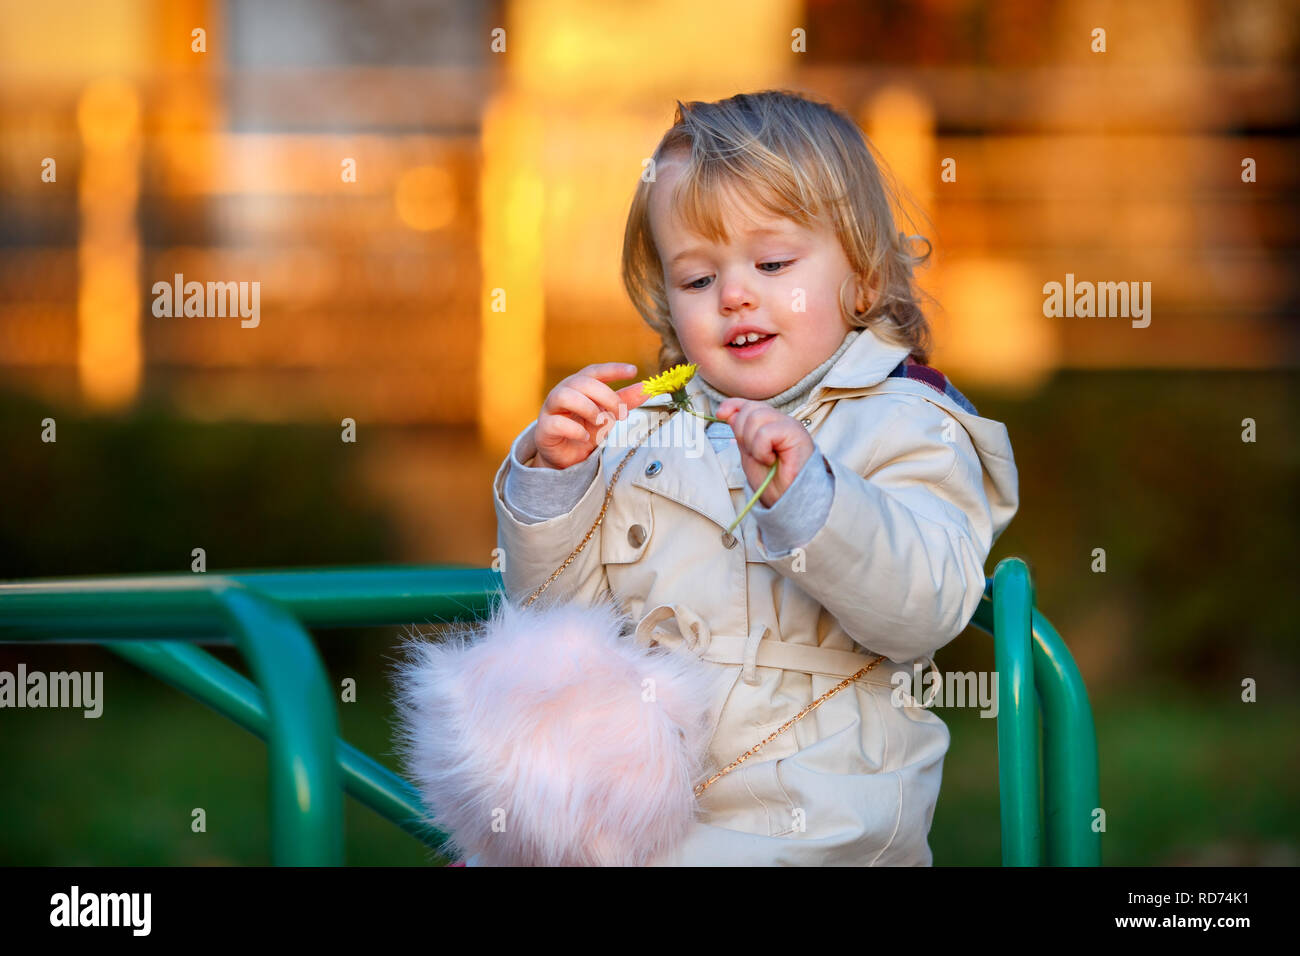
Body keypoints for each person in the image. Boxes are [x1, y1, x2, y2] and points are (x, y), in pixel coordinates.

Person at [491, 89, 1019, 865]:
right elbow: (553, 622)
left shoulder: (909, 420)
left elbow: (928, 604)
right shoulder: (645, 433)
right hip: (639, 803)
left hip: (815, 805)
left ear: (865, 278)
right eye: (698, 280)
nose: (734, 293)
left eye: (772, 263)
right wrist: (556, 482)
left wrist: (816, 501)